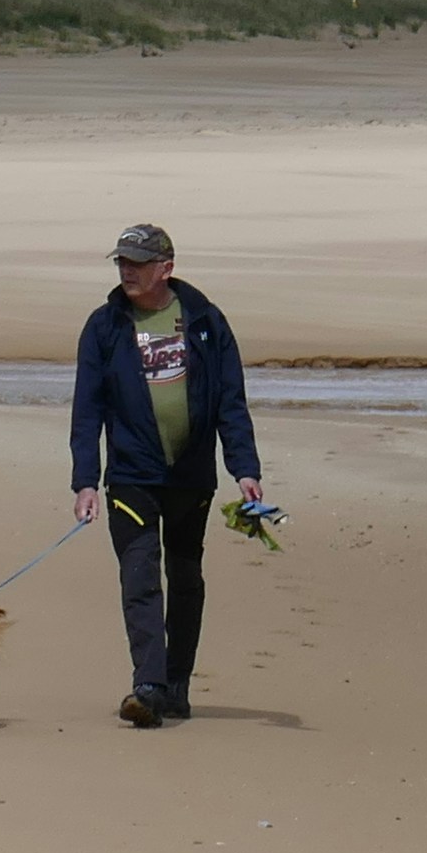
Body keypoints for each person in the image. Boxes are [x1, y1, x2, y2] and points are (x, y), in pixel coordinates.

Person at [67, 224, 265, 729]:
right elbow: (87, 410)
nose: (126, 271)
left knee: (185, 578)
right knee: (139, 576)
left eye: (136, 262)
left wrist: (244, 469)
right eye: (121, 263)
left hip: (192, 476)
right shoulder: (105, 326)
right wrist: (85, 480)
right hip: (132, 474)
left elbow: (231, 401)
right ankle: (148, 685)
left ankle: (176, 685)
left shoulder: (204, 321)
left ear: (166, 268)